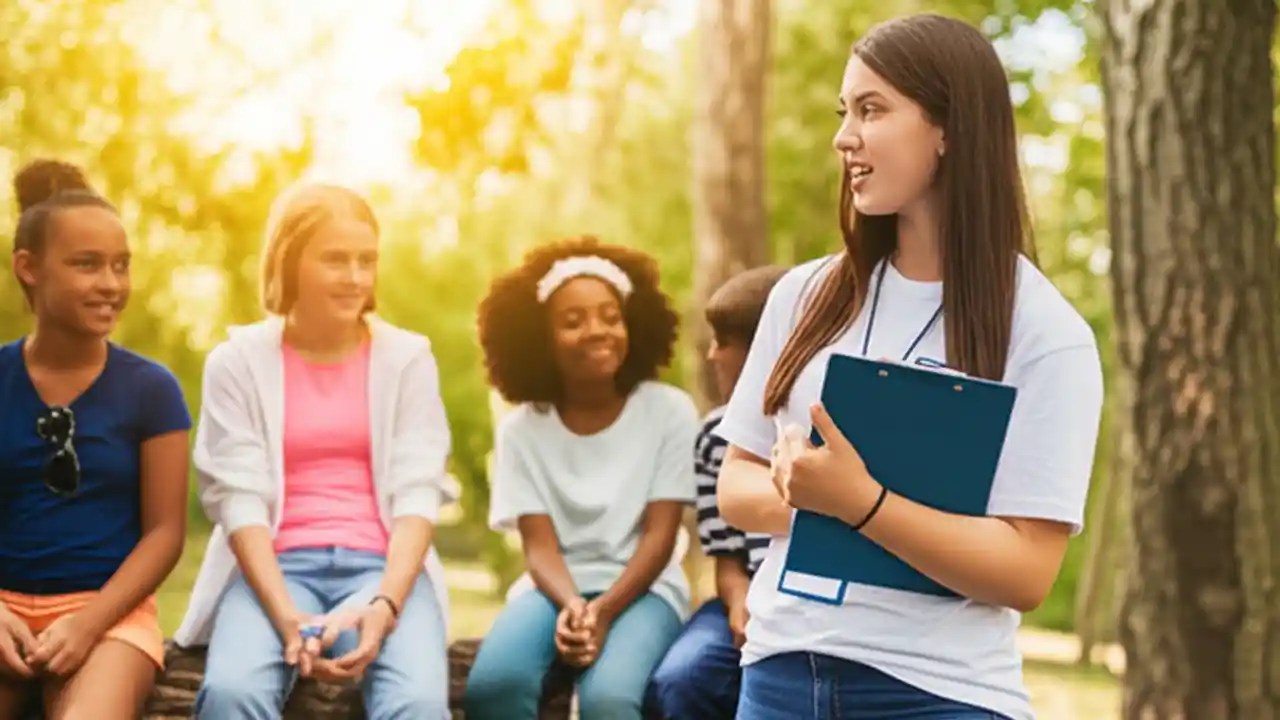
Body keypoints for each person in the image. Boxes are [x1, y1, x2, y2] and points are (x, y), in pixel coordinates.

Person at [714, 14, 1105, 720]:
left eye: (871, 110)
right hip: (779, 676)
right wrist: (815, 494)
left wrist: (861, 503)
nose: (844, 137)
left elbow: (1026, 571)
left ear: (948, 129)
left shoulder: (1047, 335)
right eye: (843, 112)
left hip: (936, 693)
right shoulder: (803, 295)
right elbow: (734, 483)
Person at [173, 183, 456, 720]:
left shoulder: (408, 359)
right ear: (289, 261)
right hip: (275, 571)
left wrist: (385, 604)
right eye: (335, 259)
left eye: (366, 260)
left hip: (384, 570)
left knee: (417, 705)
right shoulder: (236, 362)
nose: (355, 277)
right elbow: (238, 501)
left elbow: (419, 494)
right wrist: (285, 617)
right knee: (233, 695)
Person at [464, 236, 699, 720]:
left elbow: (660, 536)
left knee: (609, 699)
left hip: (646, 590)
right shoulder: (521, 430)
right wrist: (573, 605)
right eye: (573, 322)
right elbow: (538, 546)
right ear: (540, 339)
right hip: (552, 589)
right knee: (494, 686)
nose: (597, 331)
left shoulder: (668, 412)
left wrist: (605, 611)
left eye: (611, 317)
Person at [0, 160, 192, 719]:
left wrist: (87, 625)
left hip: (109, 618)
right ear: (28, 268)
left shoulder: (152, 389)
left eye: (120, 265)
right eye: (86, 264)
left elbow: (165, 534)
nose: (110, 283)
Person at [646, 264, 787, 719]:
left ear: (767, 349)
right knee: (683, 678)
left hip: (806, 604)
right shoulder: (714, 436)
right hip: (744, 594)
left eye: (724, 341)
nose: (712, 355)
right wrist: (740, 603)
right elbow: (727, 561)